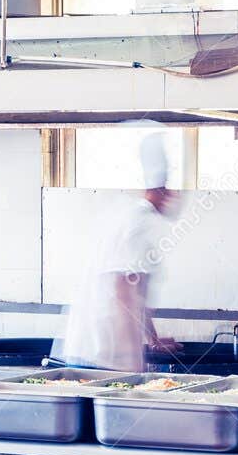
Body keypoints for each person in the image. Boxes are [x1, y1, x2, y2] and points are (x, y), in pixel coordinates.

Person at [54, 131, 179, 371]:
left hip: (92, 352)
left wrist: (151, 338)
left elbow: (134, 294)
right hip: (101, 357)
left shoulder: (129, 216)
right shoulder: (140, 224)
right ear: (162, 191)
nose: (177, 197)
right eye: (172, 189)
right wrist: (135, 368)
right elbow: (124, 296)